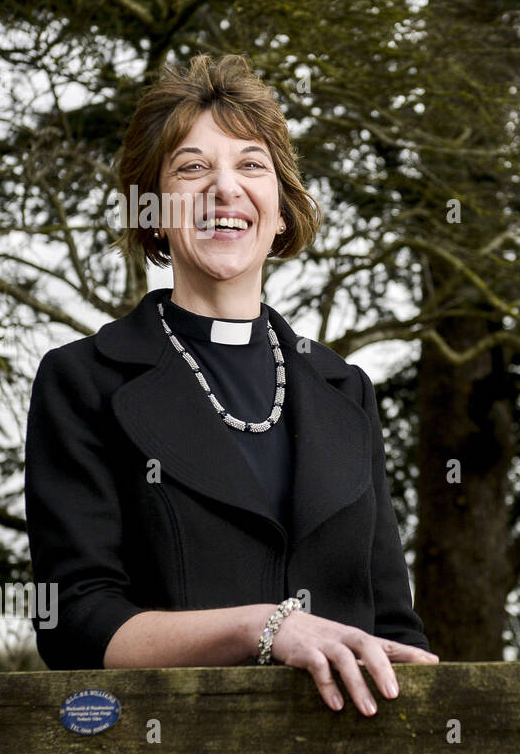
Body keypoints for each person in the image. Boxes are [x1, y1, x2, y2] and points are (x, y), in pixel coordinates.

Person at [24, 53, 438, 716]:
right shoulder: (82, 381)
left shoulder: (348, 391)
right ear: (155, 212)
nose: (225, 189)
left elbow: (392, 626)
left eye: (251, 165)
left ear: (280, 211)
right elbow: (75, 622)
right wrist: (264, 628)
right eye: (192, 168)